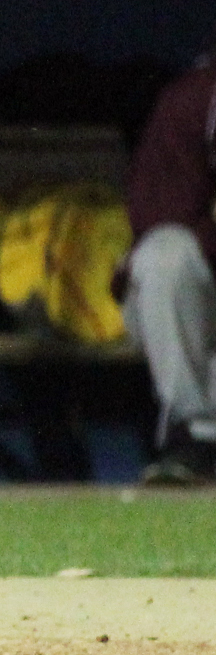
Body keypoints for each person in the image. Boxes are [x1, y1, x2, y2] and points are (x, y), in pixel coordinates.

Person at [122, 48, 216, 485]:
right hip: (189, 302)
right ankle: (193, 435)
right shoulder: (192, 99)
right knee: (164, 255)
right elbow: (158, 220)